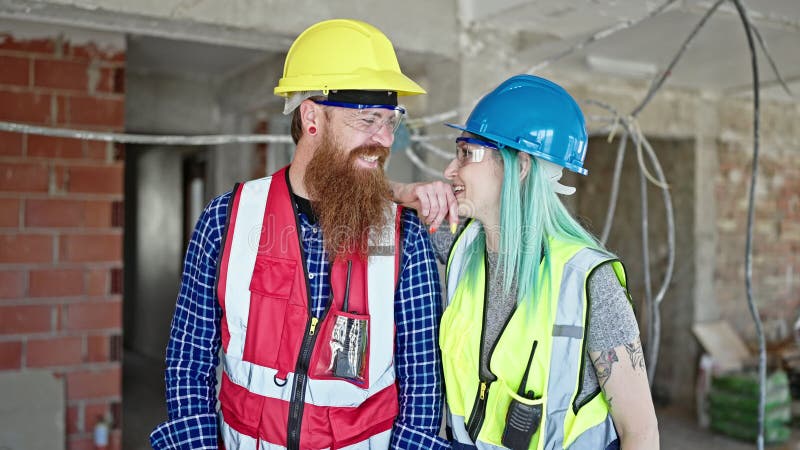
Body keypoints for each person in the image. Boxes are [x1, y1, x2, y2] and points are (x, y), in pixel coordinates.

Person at [150, 19, 450, 450]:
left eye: (390, 121)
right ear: (312, 116)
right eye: (368, 120)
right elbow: (189, 359)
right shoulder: (227, 220)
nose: (384, 140)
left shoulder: (404, 237)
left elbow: (422, 384)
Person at [395, 74, 659, 449]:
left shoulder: (586, 280)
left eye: (467, 153)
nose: (450, 170)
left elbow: (641, 433)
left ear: (519, 166)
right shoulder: (460, 243)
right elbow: (362, 203)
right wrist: (405, 191)